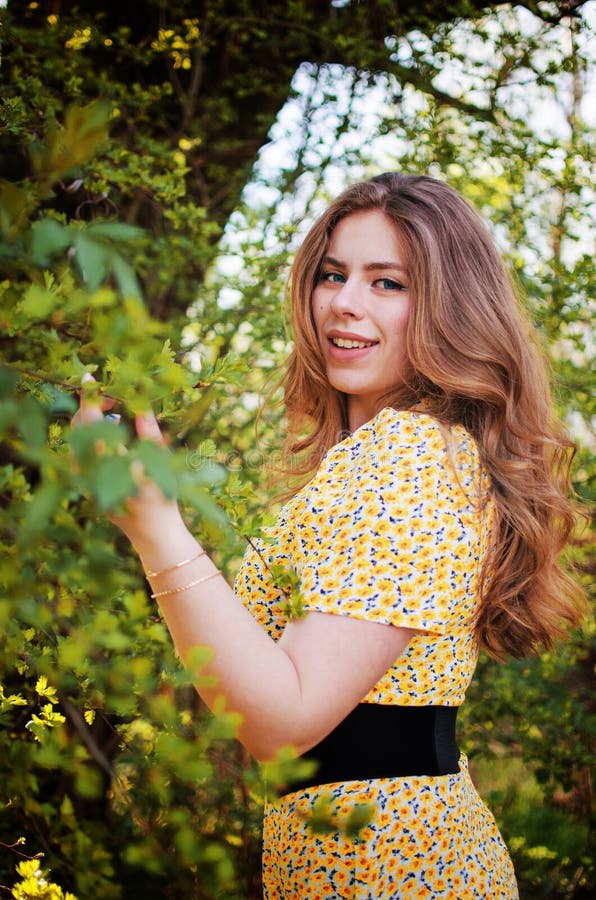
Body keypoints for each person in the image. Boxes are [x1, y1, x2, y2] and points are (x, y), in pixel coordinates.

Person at [74, 173, 585, 899]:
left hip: (391, 868)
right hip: (359, 856)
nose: (344, 302)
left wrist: (155, 525)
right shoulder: (386, 452)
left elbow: (284, 722)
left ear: (451, 308)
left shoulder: (408, 453)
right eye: (333, 274)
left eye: (389, 283)